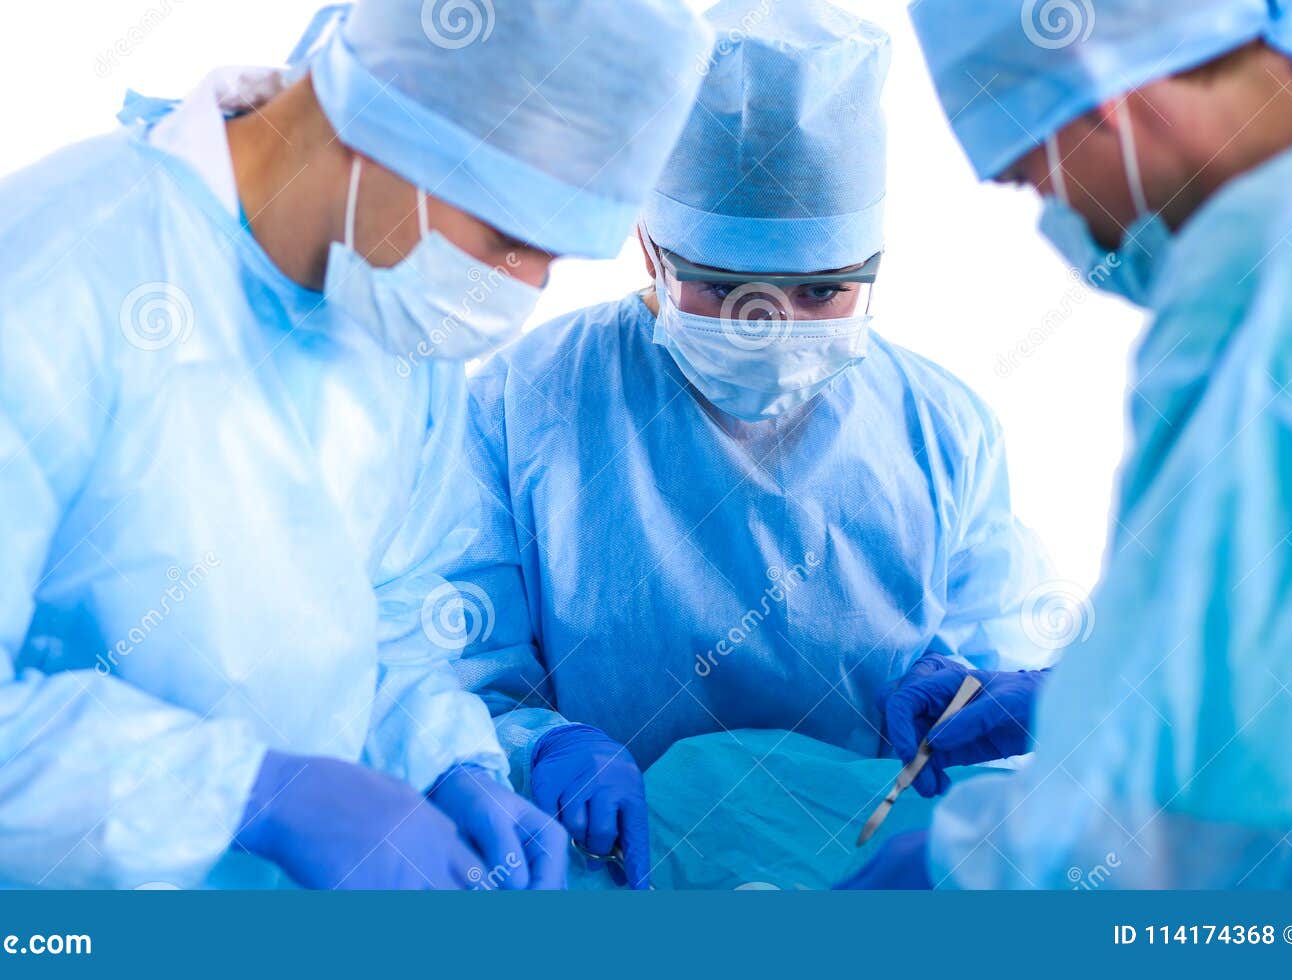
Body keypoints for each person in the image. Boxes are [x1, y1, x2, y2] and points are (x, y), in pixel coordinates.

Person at [0, 0, 712, 890]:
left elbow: (385, 609)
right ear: (393, 120)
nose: (521, 288)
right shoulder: (33, 281)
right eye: (513, 238)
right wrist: (248, 794)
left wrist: (451, 763)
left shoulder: (388, 312)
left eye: (554, 256)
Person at [447, 0, 1055, 890]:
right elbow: (447, 657)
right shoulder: (525, 401)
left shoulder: (941, 426)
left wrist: (957, 684)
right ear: (651, 248)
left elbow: (998, 696)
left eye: (821, 292)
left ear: (875, 265)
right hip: (604, 876)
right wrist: (540, 745)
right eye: (729, 287)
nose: (771, 323)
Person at [843, 0, 1292, 889]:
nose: (1064, 221)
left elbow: (1207, 817)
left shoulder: (1268, 264)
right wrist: (1094, 702)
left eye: (1033, 180)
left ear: (1099, 103)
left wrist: (970, 877)